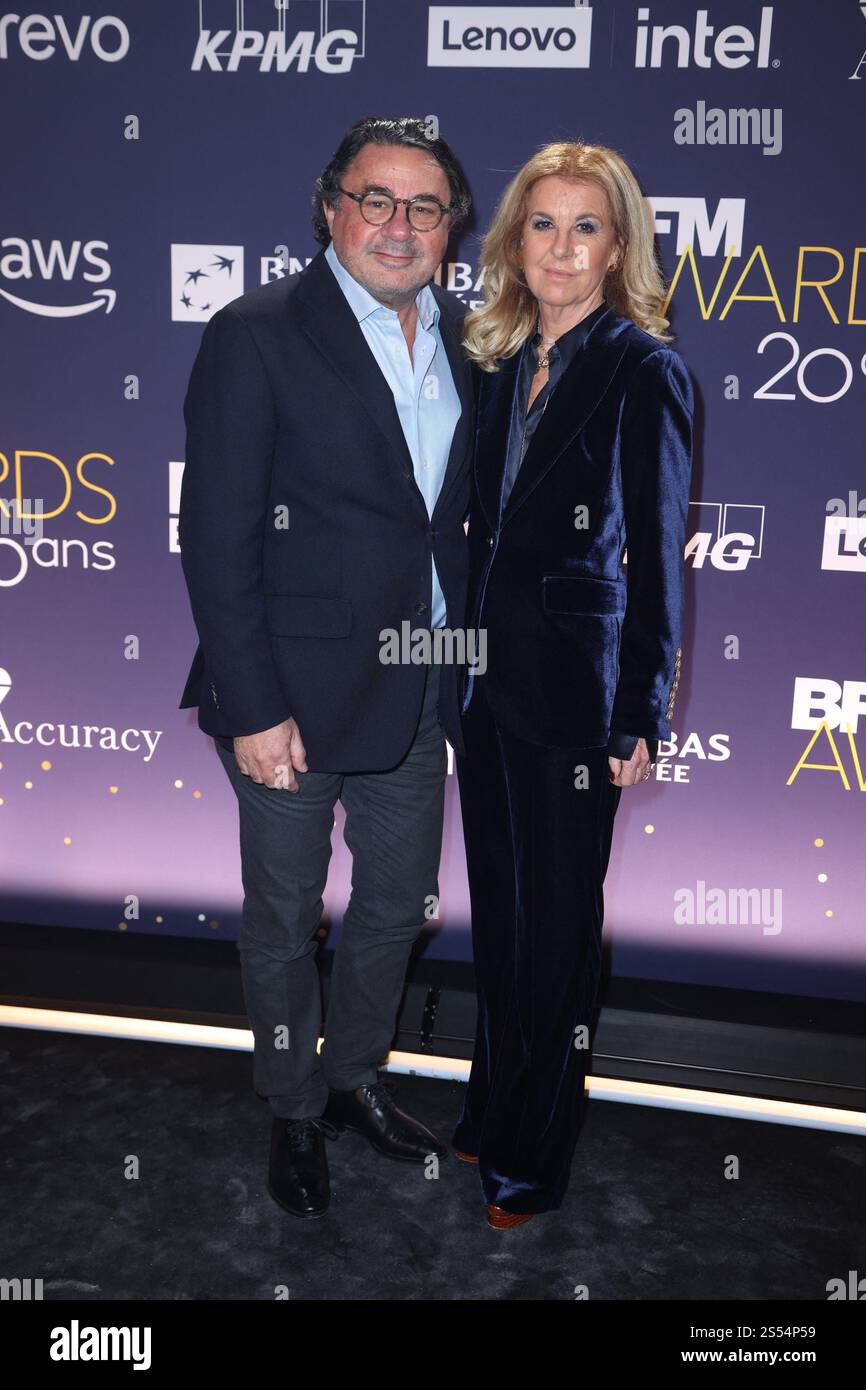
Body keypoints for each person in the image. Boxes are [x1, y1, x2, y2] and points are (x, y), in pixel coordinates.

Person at [177, 117, 474, 1218]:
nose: (398, 226)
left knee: (396, 905)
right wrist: (251, 704)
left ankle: (354, 1079)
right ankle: (293, 1104)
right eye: (375, 199)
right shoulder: (255, 331)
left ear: (450, 228)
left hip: (420, 675)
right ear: (331, 207)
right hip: (287, 698)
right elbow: (216, 535)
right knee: (285, 914)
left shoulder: (470, 342)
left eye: (424, 206)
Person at [453, 141, 694, 1227]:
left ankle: (528, 1157)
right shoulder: (496, 363)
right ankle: (488, 1109)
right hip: (480, 692)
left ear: (617, 243)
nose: (558, 246)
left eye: (582, 225)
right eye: (540, 224)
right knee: (499, 917)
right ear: (514, 240)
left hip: (573, 703)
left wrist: (638, 707)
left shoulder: (642, 369)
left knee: (554, 931)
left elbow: (657, 551)